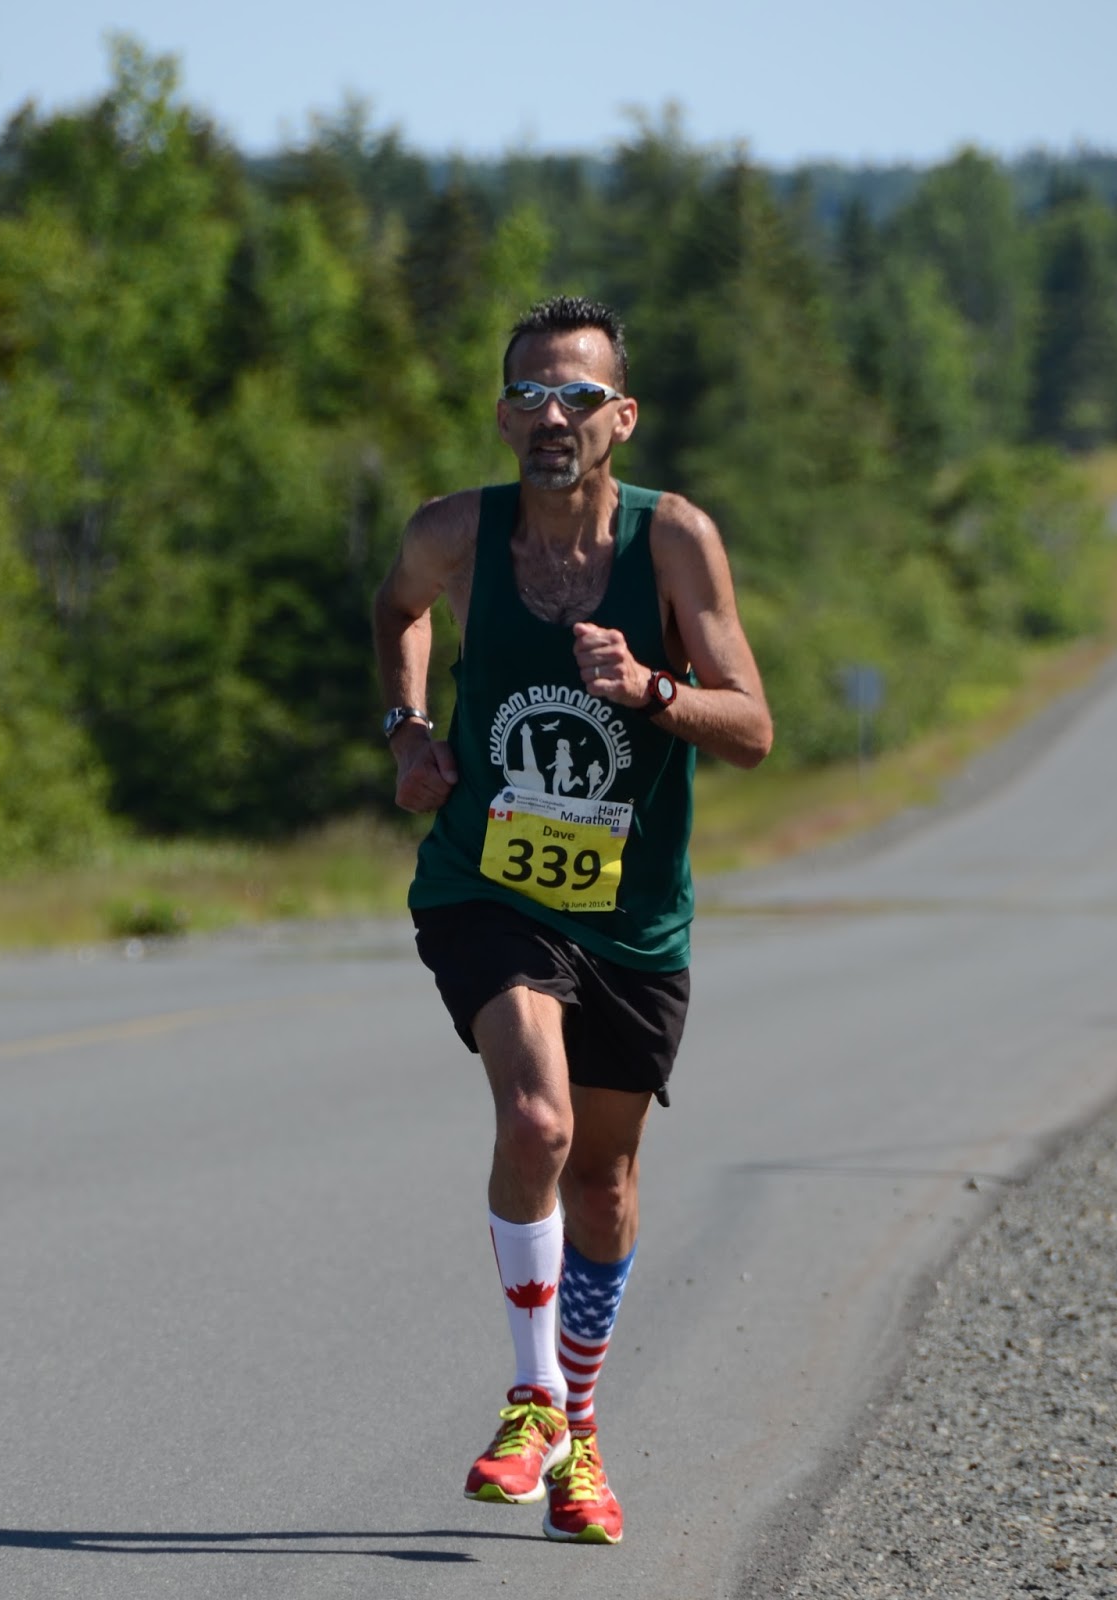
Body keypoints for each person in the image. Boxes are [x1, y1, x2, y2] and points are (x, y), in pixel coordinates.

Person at [373, 295, 772, 1545]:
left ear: (621, 417)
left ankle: (578, 1431)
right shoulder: (453, 530)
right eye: (530, 395)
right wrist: (409, 729)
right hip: (486, 888)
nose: (551, 416)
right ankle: (531, 1395)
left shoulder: (673, 542)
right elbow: (398, 612)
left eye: (577, 397)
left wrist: (655, 689)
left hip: (632, 911)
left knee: (601, 1177)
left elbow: (753, 728)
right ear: (502, 414)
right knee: (534, 1117)